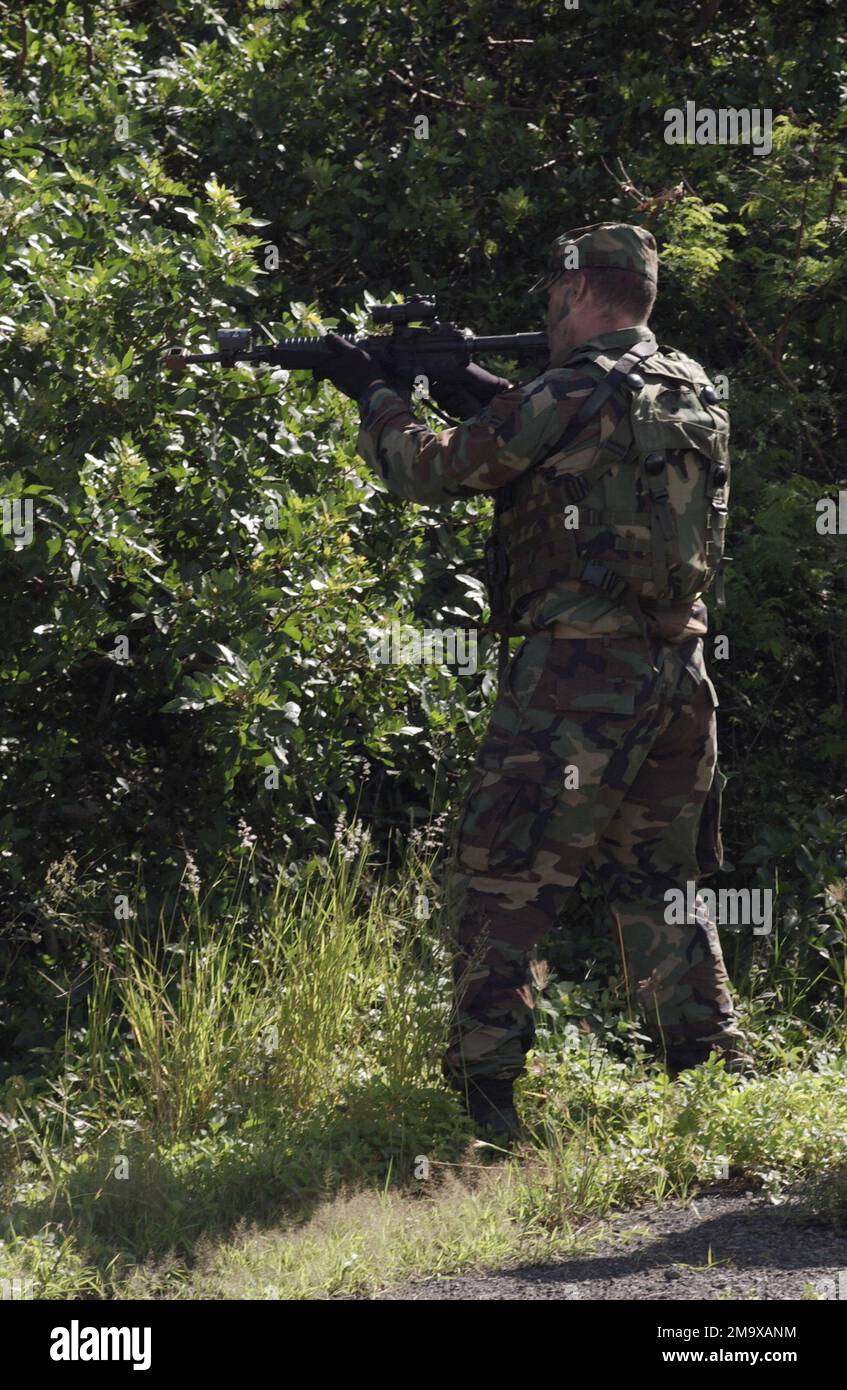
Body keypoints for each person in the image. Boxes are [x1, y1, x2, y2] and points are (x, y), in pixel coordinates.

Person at [319, 223, 750, 1140]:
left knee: (503, 884)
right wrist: (465, 381)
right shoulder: (693, 388)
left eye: (552, 296)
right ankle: (713, 1085)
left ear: (578, 291)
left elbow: (427, 468)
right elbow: (573, 441)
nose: (544, 310)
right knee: (661, 884)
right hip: (678, 680)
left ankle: (489, 1111)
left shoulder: (561, 389)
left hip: (574, 686)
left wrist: (379, 393)